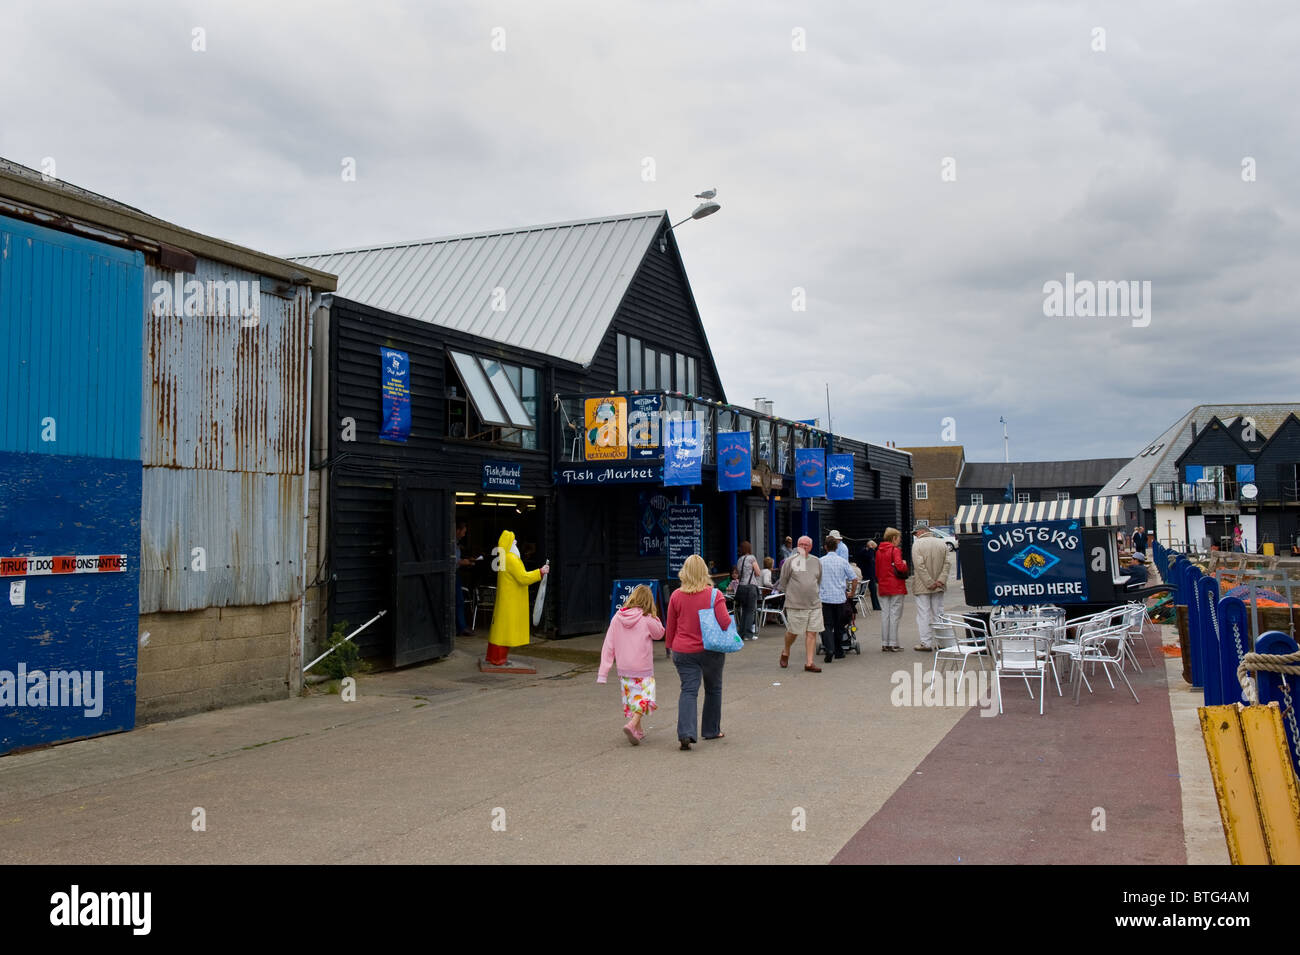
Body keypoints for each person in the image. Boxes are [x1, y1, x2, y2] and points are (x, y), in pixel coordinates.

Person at [664, 554, 732, 750]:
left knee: (688, 690)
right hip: (710, 649)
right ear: (704, 572)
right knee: (713, 689)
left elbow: (671, 626)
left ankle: (686, 733)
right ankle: (711, 730)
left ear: (684, 572)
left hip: (683, 650)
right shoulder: (714, 594)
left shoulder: (676, 595)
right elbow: (725, 622)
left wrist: (670, 648)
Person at [597, 585, 665, 745]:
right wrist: (655, 617)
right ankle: (632, 724)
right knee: (647, 697)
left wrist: (603, 672)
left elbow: (608, 644)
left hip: (624, 668)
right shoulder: (647, 619)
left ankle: (638, 731)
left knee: (634, 698)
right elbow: (660, 633)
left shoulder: (617, 618)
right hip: (643, 668)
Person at [485, 530, 549, 666]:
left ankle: (494, 657)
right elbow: (523, 578)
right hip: (511, 600)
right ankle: (499, 658)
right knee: (507, 629)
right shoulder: (511, 559)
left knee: (500, 628)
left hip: (505, 599)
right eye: (514, 540)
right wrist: (540, 572)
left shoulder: (502, 558)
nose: (516, 543)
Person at [777, 535, 823, 672]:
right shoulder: (790, 561)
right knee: (793, 632)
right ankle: (786, 651)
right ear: (797, 546)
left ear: (811, 547)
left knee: (812, 633)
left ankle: (809, 663)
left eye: (806, 545)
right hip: (795, 604)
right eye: (801, 544)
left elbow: (818, 579)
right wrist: (792, 594)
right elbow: (783, 581)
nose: (803, 547)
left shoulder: (816, 561)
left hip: (814, 603)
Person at [911, 525, 953, 652]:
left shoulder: (917, 545)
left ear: (922, 531)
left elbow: (919, 566)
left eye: (916, 532)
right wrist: (941, 580)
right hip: (939, 585)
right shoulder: (942, 544)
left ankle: (926, 642)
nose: (915, 535)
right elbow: (947, 563)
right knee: (938, 613)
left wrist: (929, 582)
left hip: (922, 585)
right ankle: (942, 641)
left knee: (923, 614)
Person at [819, 534, 857, 663]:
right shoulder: (843, 562)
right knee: (839, 625)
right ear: (836, 547)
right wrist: (851, 592)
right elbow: (854, 578)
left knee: (826, 625)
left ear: (825, 547)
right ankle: (839, 650)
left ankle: (829, 649)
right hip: (840, 598)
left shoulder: (820, 561)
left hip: (824, 598)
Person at [876, 528, 908, 652]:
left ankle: (885, 642)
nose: (899, 540)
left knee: (885, 614)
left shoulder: (879, 551)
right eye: (898, 537)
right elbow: (900, 566)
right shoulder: (895, 550)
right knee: (895, 615)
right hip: (896, 586)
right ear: (894, 538)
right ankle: (893, 642)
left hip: (883, 585)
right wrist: (905, 564)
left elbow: (877, 570)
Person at [733, 541, 761, 640]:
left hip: (741, 587)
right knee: (750, 611)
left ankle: (741, 633)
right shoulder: (752, 558)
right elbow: (758, 572)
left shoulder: (739, 560)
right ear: (749, 548)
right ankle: (748, 634)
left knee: (744, 611)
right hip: (750, 587)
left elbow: (740, 574)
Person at [455, 521, 476, 636]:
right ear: (457, 530)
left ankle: (460, 626)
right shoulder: (450, 543)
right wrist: (463, 562)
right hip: (452, 573)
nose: (464, 535)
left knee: (459, 601)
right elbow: (452, 560)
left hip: (455, 573)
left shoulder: (456, 543)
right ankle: (461, 627)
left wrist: (467, 560)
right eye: (463, 532)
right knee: (458, 600)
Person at [855, 539, 881, 611]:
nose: (874, 550)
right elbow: (869, 558)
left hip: (869, 574)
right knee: (863, 591)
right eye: (873, 548)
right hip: (867, 574)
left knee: (872, 590)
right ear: (871, 546)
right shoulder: (866, 552)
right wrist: (870, 549)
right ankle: (876, 606)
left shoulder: (866, 551)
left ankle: (876, 606)